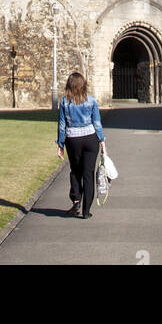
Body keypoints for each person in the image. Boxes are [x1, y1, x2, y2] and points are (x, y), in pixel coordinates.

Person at [56, 71, 105, 219]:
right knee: (88, 174)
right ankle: (86, 210)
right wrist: (102, 141)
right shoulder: (91, 101)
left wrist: (60, 144)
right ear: (83, 85)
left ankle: (76, 199)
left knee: (75, 171)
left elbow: (62, 125)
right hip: (90, 139)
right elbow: (97, 123)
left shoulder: (65, 102)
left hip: (73, 139)